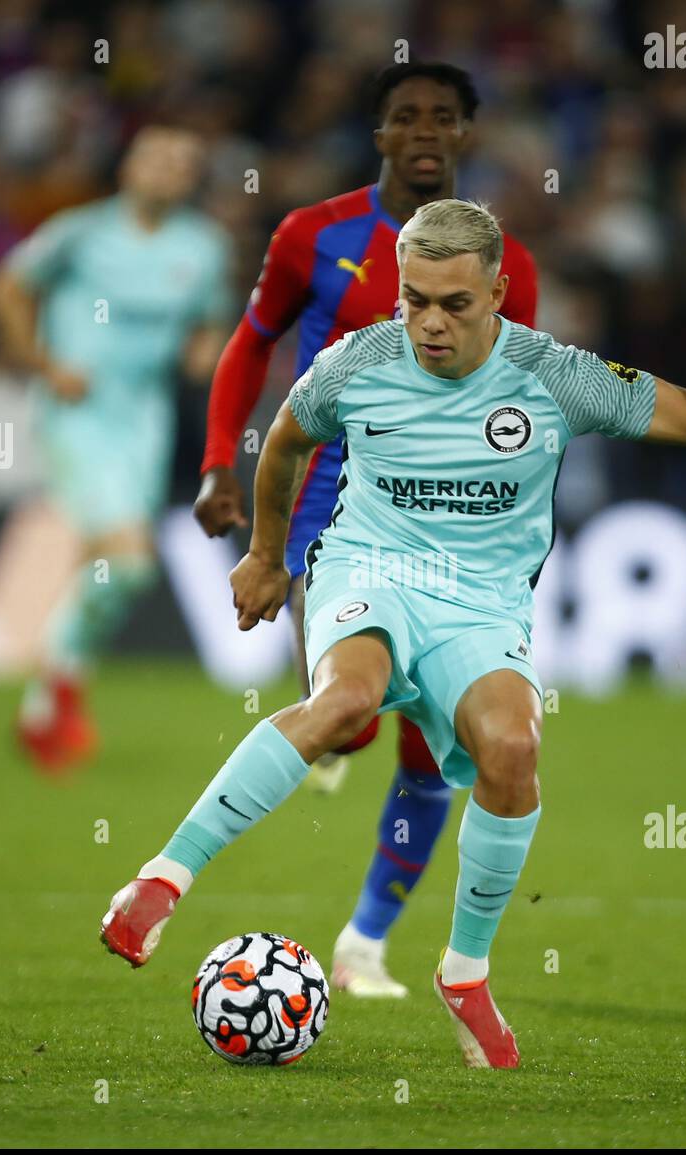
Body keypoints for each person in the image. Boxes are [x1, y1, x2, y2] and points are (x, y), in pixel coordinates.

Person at [101, 198, 686, 1069]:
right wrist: (264, 553)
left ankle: (465, 972)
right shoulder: (354, 362)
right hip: (370, 567)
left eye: (454, 303)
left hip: (482, 604)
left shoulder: (553, 374)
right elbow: (286, 439)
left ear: (499, 293)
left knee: (514, 749)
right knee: (346, 700)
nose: (429, 323)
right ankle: (162, 878)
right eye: (413, 300)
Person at [193, 62, 537, 997]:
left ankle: (366, 942)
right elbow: (251, 340)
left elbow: (521, 405)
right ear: (380, 134)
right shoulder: (314, 234)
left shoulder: (506, 267)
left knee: (436, 745)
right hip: (324, 500)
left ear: (466, 133)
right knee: (345, 722)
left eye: (443, 117)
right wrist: (220, 457)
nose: (425, 131)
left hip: (450, 522)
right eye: (404, 117)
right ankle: (335, 748)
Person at [0, 126, 232, 770]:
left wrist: (204, 354)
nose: (168, 169)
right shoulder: (80, 232)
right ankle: (57, 693)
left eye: (183, 161)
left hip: (145, 418)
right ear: (127, 166)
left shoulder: (203, 247)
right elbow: (5, 290)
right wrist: (42, 363)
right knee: (127, 560)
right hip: (79, 412)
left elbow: (210, 319)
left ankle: (47, 706)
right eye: (156, 156)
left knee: (116, 564)